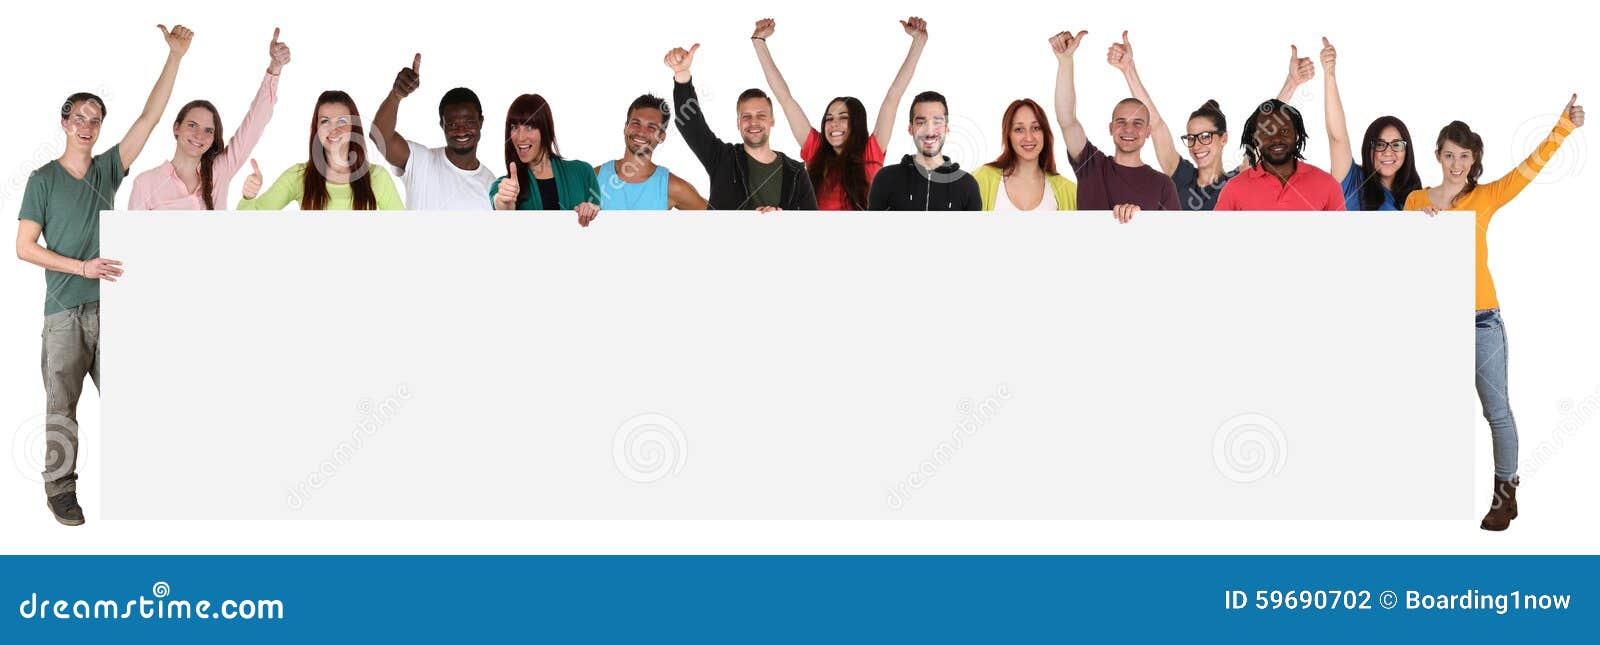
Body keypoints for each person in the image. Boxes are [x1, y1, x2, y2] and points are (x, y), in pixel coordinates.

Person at [15, 24, 193, 526]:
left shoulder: (107, 171)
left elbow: (151, 118)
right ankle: (60, 493)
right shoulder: (42, 180)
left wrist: (175, 57)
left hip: (111, 309)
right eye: (80, 117)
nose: (88, 125)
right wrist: (82, 267)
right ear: (65, 122)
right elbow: (24, 249)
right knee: (61, 412)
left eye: (96, 119)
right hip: (64, 314)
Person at [1404, 95, 1585, 531]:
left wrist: (1562, 127)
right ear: (1437, 155)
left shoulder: (1484, 198)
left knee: (1496, 411)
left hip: (1481, 320)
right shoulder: (1414, 201)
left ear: (1474, 159)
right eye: (1448, 154)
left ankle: (1506, 495)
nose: (1455, 163)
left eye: (1464, 156)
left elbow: (1528, 169)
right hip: (1431, 322)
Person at [750, 17, 926, 211]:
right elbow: (785, 98)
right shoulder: (815, 151)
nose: (834, 124)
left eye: (843, 118)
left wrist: (918, 42)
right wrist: (759, 42)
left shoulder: (870, 153)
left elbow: (893, 97)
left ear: (856, 124)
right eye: (829, 118)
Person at [129, 28, 289, 210]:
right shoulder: (146, 183)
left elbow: (255, 123)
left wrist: (274, 68)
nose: (199, 135)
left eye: (208, 131)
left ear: (213, 137)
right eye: (192, 125)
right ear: (176, 128)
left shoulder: (219, 171)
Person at [665, 43, 818, 211]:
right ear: (738, 123)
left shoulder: (796, 173)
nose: (753, 122)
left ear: (772, 120)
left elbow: (811, 225)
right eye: (746, 117)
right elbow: (690, 124)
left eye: (761, 116)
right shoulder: (722, 159)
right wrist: (682, 75)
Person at [1050, 29, 1178, 224]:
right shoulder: (1091, 166)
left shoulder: (1163, 185)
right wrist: (1065, 61)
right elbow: (1067, 119)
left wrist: (1139, 221)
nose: (1128, 129)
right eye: (1121, 122)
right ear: (1111, 128)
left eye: (1137, 123)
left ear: (1147, 132)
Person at [1280, 38, 1421, 210]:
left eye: (1397, 145)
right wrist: (1329, 74)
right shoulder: (1354, 182)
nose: (1388, 152)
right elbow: (1337, 137)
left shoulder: (1415, 196)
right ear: (1369, 148)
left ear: (1407, 150)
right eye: (1380, 144)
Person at [1106, 31, 1236, 211]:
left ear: (1224, 138)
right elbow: (1157, 125)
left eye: (1205, 136)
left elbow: (1264, 132)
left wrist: (1291, 83)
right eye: (1191, 138)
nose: (1196, 146)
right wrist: (1128, 69)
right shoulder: (1181, 177)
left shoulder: (1236, 182)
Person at [368, 53, 497, 210]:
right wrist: (396, 95)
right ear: (442, 125)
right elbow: (379, 136)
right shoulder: (421, 162)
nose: (461, 131)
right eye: (452, 124)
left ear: (481, 122)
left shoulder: (491, 185)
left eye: (469, 122)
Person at [237, 91, 403, 210]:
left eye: (342, 121)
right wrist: (249, 196)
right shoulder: (298, 176)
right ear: (316, 129)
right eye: (325, 121)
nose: (333, 130)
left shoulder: (377, 177)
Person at [488, 94, 602, 226]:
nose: (520, 137)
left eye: (529, 127)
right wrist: (505, 203)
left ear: (546, 129)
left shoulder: (583, 172)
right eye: (514, 127)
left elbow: (601, 226)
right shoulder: (504, 186)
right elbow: (500, 205)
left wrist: (593, 211)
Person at [1212, 99, 1345, 211]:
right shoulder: (1234, 189)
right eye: (1266, 132)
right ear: (1255, 140)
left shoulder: (1328, 185)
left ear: (1296, 135)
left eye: (1285, 131)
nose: (1276, 138)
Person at [866, 91, 981, 210]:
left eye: (937, 122)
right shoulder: (885, 178)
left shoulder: (968, 185)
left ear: (946, 128)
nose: (929, 132)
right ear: (911, 128)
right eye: (921, 122)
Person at [594, 94, 707, 210]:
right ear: (625, 127)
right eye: (636, 123)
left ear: (662, 137)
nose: (641, 132)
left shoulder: (672, 187)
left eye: (652, 127)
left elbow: (718, 217)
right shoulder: (593, 177)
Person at [972, 98, 1077, 211]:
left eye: (1036, 128)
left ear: (1045, 134)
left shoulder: (1069, 190)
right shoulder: (980, 180)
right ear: (1008, 136)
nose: (1028, 137)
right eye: (1019, 129)